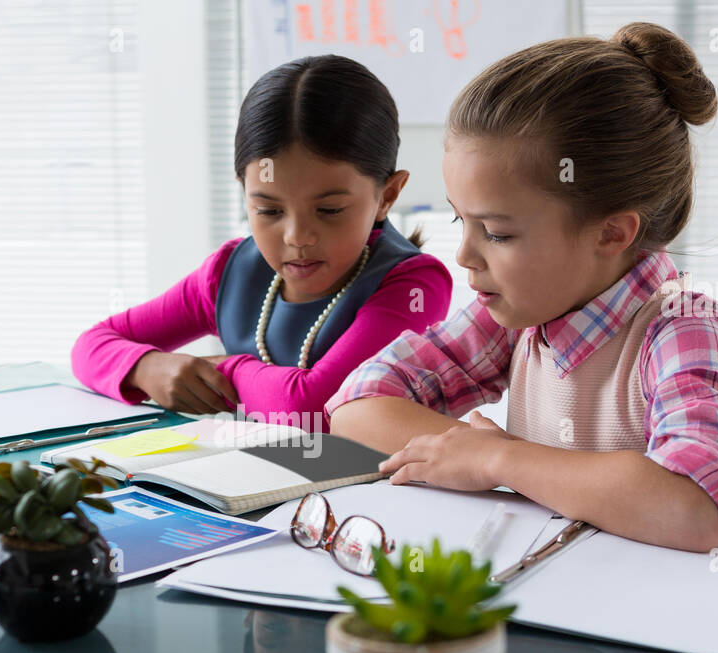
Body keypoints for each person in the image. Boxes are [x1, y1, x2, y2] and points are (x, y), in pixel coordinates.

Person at [327, 23, 718, 552]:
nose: (465, 255)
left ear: (610, 232)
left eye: (498, 233)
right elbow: (357, 405)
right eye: (458, 221)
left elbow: (700, 506)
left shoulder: (684, 330)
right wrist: (480, 453)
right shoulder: (518, 313)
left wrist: (500, 458)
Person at [71, 55, 452, 431]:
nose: (297, 237)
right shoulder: (228, 275)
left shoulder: (415, 286)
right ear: (244, 193)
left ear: (387, 195)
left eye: (331, 210)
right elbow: (90, 346)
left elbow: (316, 408)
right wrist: (146, 367)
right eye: (268, 210)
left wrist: (221, 369)